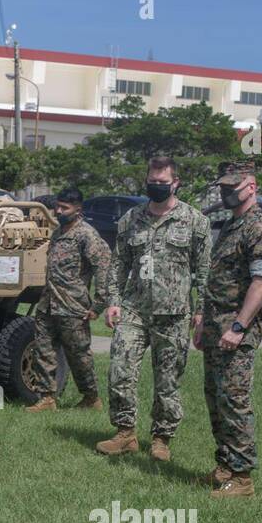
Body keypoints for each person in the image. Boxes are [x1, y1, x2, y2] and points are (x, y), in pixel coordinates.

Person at [97, 156, 210, 462]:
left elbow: (204, 269)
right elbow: (118, 264)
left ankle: (161, 438)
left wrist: (200, 311)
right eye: (152, 181)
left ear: (176, 183)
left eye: (162, 183)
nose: (156, 187)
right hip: (134, 309)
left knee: (168, 380)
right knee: (120, 369)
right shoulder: (130, 219)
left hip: (173, 314)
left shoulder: (195, 221)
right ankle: (124, 433)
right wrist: (113, 301)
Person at [194, 160, 262, 498]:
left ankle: (242, 478)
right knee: (216, 400)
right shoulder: (232, 225)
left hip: (236, 332)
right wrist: (202, 320)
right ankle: (225, 467)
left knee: (234, 399)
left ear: (251, 186)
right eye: (224, 186)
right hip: (216, 328)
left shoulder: (260, 227)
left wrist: (239, 325)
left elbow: (261, 282)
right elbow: (217, 279)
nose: (227, 191)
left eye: (234, 186)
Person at [24, 187, 110, 412]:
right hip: (48, 303)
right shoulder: (58, 232)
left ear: (78, 209)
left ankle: (91, 398)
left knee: (78, 355)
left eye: (65, 207)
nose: (58, 211)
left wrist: (99, 305)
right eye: (57, 206)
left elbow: (102, 267)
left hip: (73, 307)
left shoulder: (86, 234)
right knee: (43, 350)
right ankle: (47, 397)